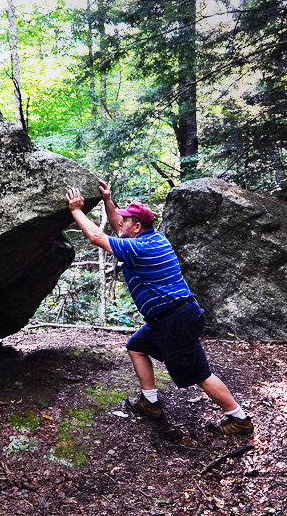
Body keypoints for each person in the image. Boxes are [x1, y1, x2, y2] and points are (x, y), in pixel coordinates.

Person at [65, 181, 253, 436]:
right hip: (170, 317)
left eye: (125, 220)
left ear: (137, 227)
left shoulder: (137, 249)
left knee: (200, 373)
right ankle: (150, 402)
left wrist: (76, 210)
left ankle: (239, 418)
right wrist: (109, 201)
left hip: (174, 321)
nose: (120, 223)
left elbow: (98, 236)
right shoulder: (153, 238)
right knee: (137, 347)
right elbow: (118, 228)